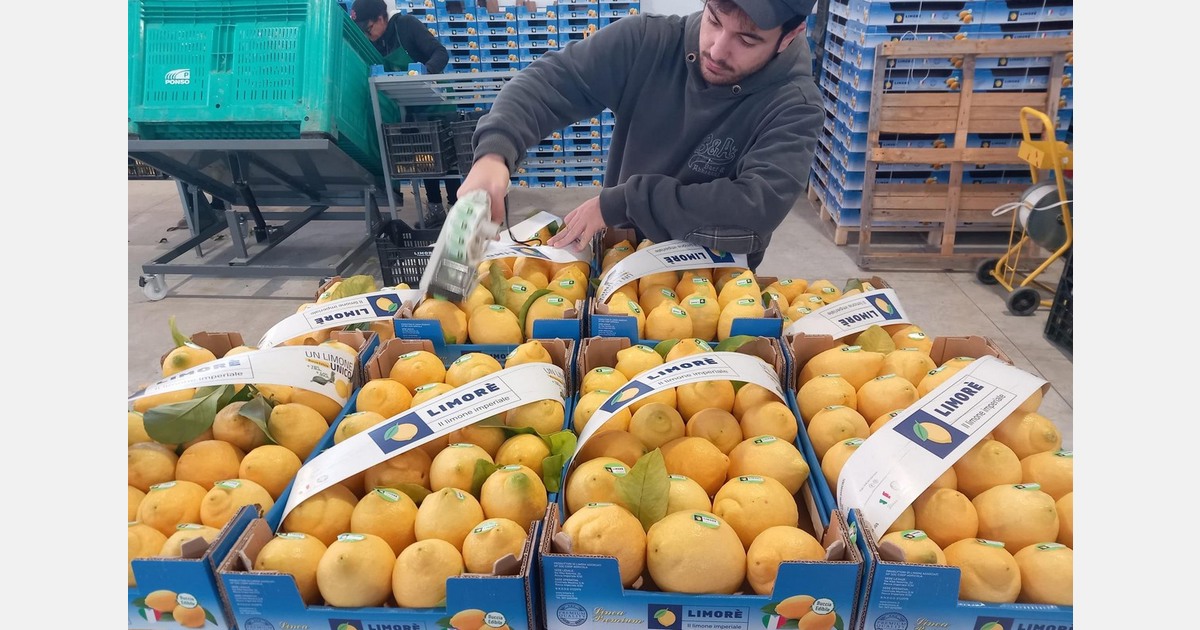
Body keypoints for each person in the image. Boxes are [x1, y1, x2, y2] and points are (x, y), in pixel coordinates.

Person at [459, 0, 823, 271]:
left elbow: (754, 208)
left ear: (790, 35)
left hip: (714, 290)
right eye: (713, 20)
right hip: (621, 266)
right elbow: (553, 81)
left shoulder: (795, 106)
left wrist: (623, 202)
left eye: (746, 40)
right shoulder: (648, 42)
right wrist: (494, 152)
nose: (716, 48)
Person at [352, 0, 459, 228]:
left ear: (381, 18)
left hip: (439, 105)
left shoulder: (406, 25)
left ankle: (456, 210)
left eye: (368, 28)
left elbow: (440, 53)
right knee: (425, 160)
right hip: (413, 107)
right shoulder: (378, 42)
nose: (367, 34)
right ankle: (435, 209)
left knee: (448, 160)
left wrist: (423, 71)